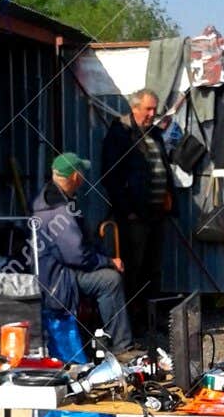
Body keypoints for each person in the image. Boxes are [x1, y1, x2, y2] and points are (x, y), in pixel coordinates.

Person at [32, 153, 132, 351]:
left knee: (106, 271)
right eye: (82, 173)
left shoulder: (49, 198)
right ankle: (122, 347)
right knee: (110, 280)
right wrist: (109, 261)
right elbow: (76, 256)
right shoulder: (59, 210)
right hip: (59, 278)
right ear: (76, 177)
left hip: (53, 270)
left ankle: (102, 337)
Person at [99, 88, 170, 327]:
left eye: (154, 109)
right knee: (134, 268)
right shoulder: (120, 134)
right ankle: (132, 320)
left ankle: (152, 318)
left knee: (153, 267)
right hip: (134, 215)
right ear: (135, 108)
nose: (152, 114)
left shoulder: (154, 134)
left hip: (156, 212)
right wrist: (127, 209)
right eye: (148, 109)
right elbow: (110, 176)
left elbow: (161, 166)